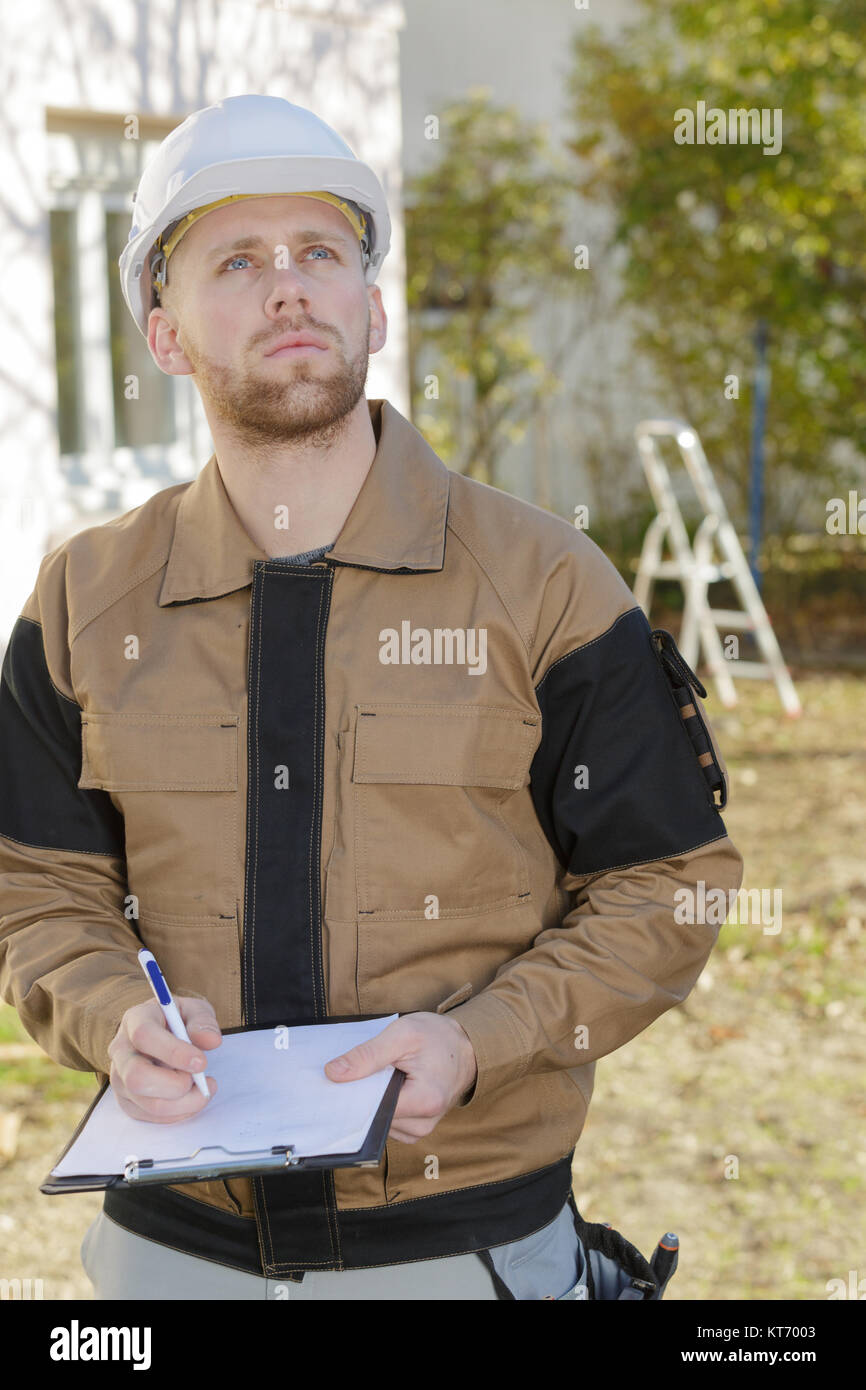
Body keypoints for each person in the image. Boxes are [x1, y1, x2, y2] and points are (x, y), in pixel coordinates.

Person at [0, 94, 743, 1300]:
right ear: (164, 334)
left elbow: (670, 882)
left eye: (320, 254)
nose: (287, 286)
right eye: (236, 260)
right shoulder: (82, 600)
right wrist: (103, 1016)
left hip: (455, 1251)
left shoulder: (546, 582)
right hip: (166, 1258)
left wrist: (477, 1040)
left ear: (372, 307)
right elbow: (38, 884)